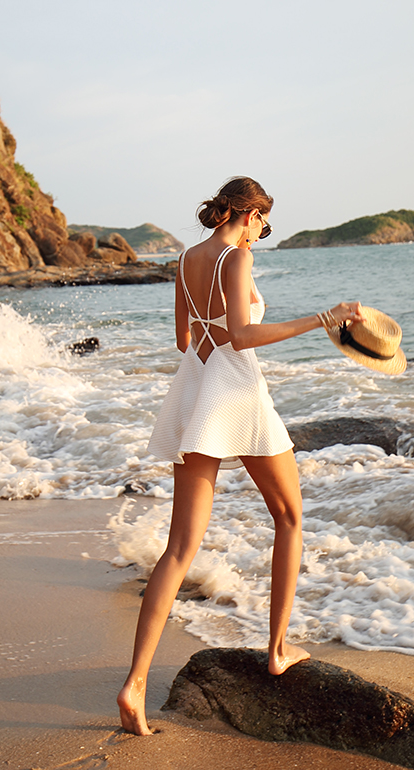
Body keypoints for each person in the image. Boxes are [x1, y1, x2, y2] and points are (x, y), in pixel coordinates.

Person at [117, 176, 365, 736]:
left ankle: (134, 685)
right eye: (262, 223)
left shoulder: (185, 260)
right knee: (290, 517)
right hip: (237, 394)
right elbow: (243, 336)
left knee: (179, 549)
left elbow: (186, 339)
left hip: (195, 389)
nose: (260, 234)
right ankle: (277, 649)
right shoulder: (235, 258)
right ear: (245, 213)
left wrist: (213, 353)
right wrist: (323, 319)